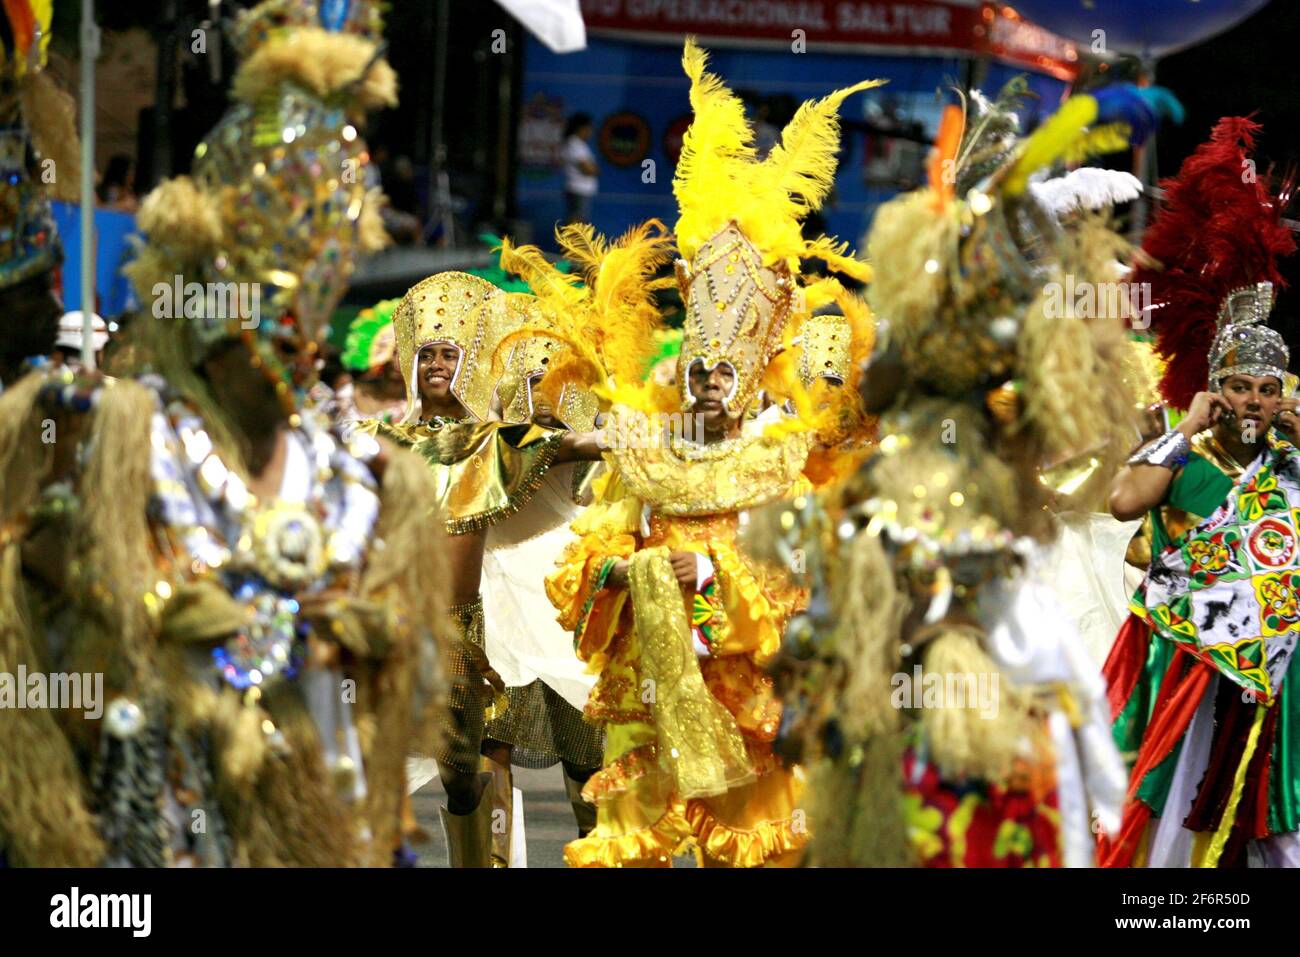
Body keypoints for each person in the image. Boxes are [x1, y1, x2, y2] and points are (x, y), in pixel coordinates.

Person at [536, 39, 877, 868]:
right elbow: (591, 556)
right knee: (637, 849)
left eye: (728, 367)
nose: (711, 380)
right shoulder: (642, 447)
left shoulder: (785, 456)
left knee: (752, 847)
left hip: (744, 690)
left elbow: (803, 580)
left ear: (755, 366)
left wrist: (714, 579)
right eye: (700, 366)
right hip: (647, 684)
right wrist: (636, 573)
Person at [1100, 117, 1300, 868]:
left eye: (1265, 389)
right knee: (1177, 829)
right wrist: (1185, 427)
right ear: (1216, 391)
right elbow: (1124, 501)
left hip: (1282, 671)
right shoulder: (1184, 455)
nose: (1252, 400)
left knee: (1275, 827)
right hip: (1193, 666)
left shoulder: (1289, 459)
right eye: (1239, 388)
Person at [366, 270, 606, 868]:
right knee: (464, 764)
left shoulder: (490, 440)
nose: (437, 366)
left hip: (513, 606)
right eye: (427, 356)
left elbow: (580, 446)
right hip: (436, 619)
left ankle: (596, 855)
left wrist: (638, 433)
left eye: (450, 355)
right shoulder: (387, 439)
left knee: (581, 746)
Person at [560, 112, 598, 225]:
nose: (591, 132)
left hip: (581, 190)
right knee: (575, 225)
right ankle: (568, 243)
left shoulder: (579, 144)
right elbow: (588, 169)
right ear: (581, 128)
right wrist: (594, 169)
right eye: (589, 128)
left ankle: (572, 243)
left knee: (579, 224)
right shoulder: (574, 143)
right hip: (578, 190)